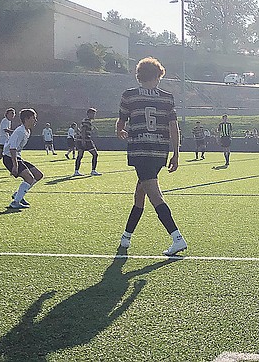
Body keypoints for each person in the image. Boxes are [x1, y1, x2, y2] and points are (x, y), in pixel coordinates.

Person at [116, 57, 187, 256]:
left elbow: (120, 122)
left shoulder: (129, 96)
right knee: (140, 194)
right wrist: (176, 154)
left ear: (139, 75)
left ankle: (177, 237)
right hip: (159, 153)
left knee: (155, 196)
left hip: (140, 151)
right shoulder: (167, 98)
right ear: (157, 75)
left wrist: (120, 131)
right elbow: (174, 127)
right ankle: (126, 237)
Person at [4, 108, 44, 209]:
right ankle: (15, 203)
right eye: (33, 118)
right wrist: (15, 166)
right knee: (29, 178)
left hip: (17, 157)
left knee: (38, 175)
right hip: (10, 158)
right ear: (26, 119)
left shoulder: (27, 131)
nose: (35, 120)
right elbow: (12, 149)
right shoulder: (20, 131)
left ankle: (18, 195)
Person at [74, 108, 101, 176]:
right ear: (89, 114)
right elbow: (83, 130)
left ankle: (76, 171)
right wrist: (83, 140)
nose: (94, 115)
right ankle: (93, 170)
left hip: (81, 140)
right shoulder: (87, 121)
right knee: (95, 154)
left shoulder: (87, 121)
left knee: (80, 156)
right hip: (86, 140)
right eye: (93, 114)